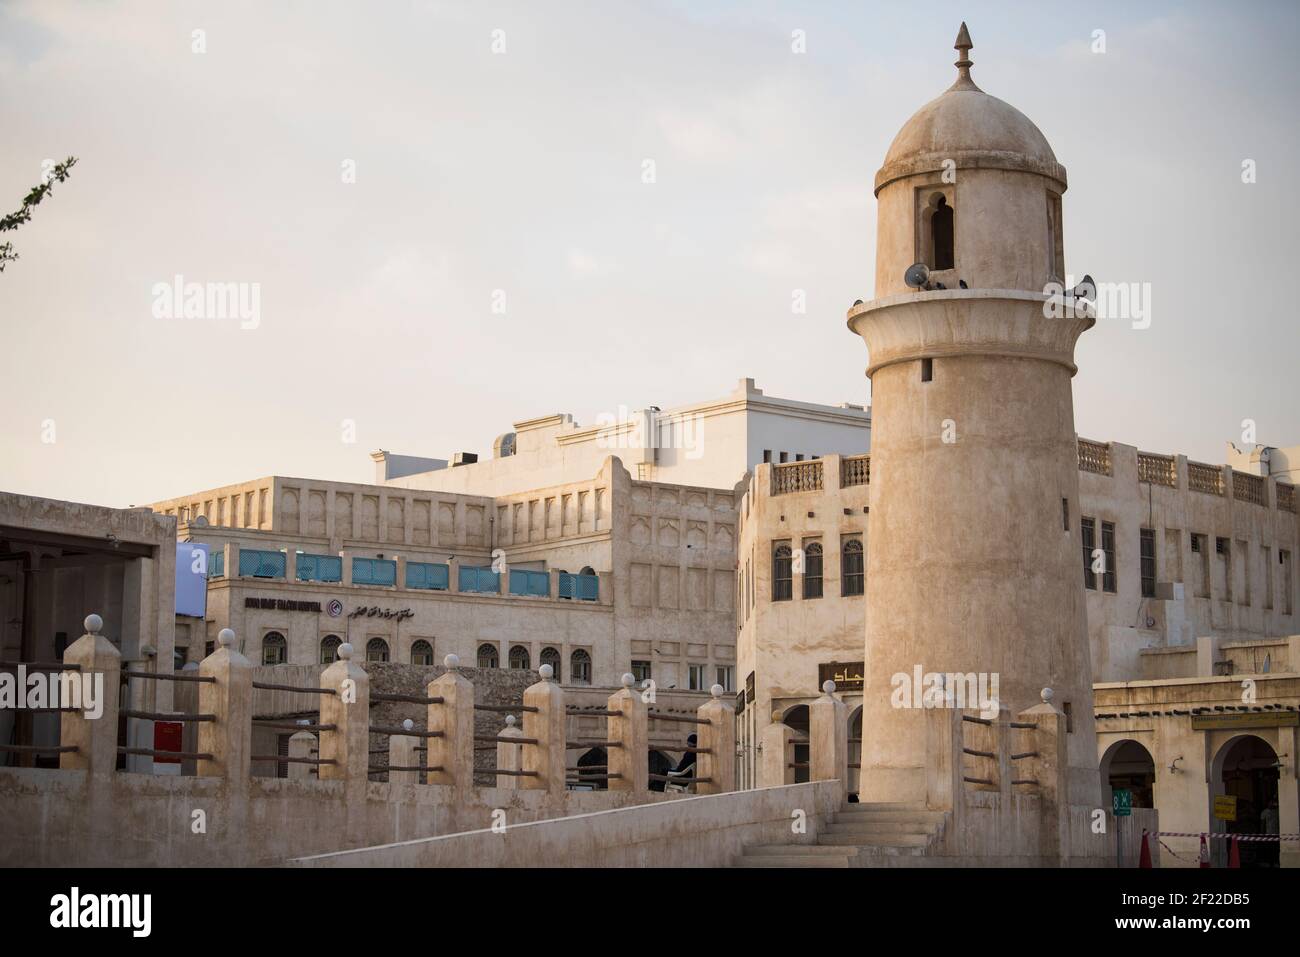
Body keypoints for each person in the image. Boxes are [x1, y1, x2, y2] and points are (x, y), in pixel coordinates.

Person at [1261, 798, 1280, 867]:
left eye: (1274, 802)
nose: (1272, 804)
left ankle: (1276, 862)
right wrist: (1262, 834)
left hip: (1277, 833)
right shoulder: (1264, 812)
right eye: (1271, 802)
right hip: (1268, 834)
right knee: (1269, 849)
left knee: (1276, 848)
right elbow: (1262, 824)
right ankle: (1270, 863)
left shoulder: (1277, 811)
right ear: (1268, 803)